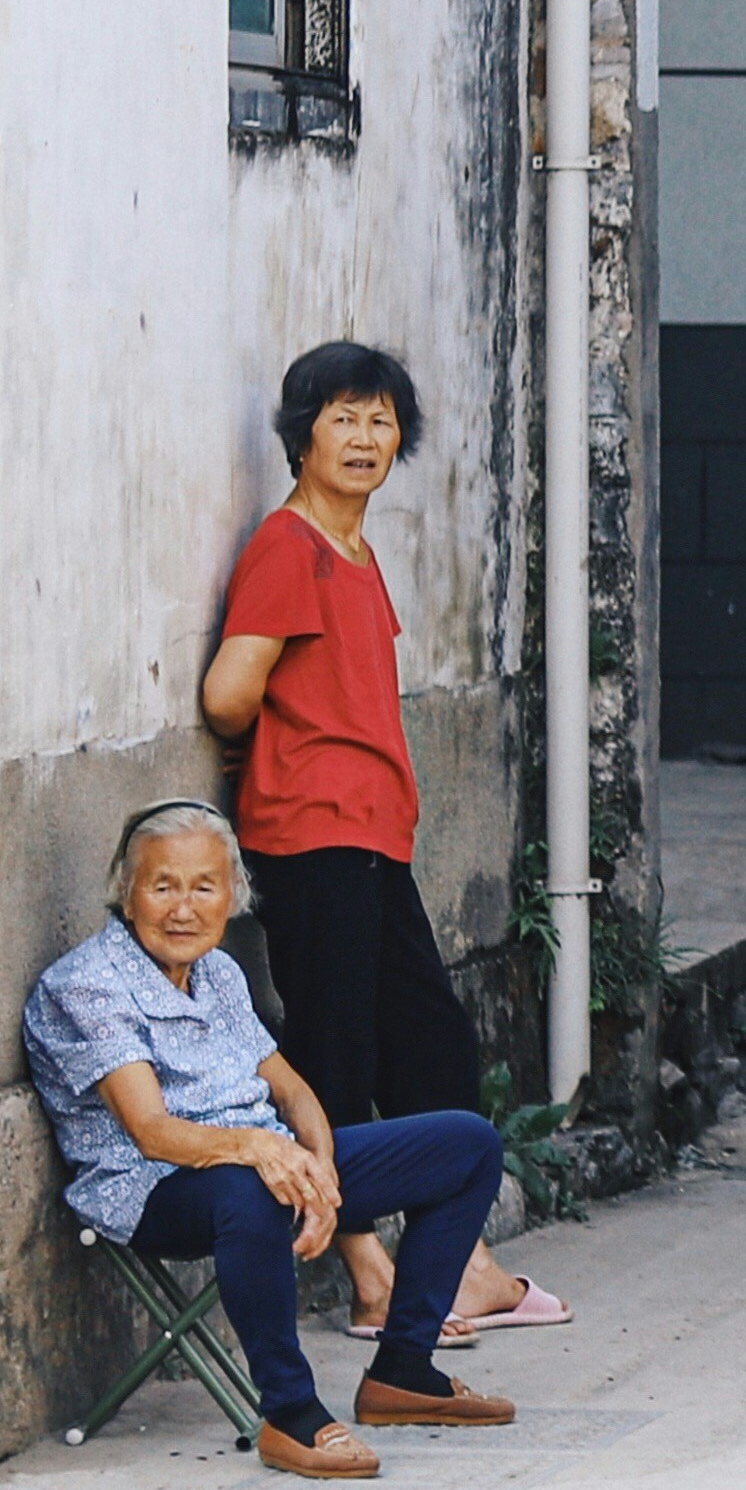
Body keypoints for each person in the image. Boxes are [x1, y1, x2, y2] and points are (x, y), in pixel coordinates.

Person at [199, 341, 560, 1340]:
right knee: (336, 1047)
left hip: (367, 834)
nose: (363, 437)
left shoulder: (351, 548)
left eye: (380, 419)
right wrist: (296, 752)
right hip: (313, 833)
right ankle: (367, 1272)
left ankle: (465, 1263)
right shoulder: (289, 545)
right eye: (341, 417)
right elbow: (229, 693)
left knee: (430, 1041)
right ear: (300, 434)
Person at [25, 800, 515, 1480]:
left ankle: (403, 1368)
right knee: (246, 1191)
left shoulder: (219, 972)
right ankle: (290, 1413)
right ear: (126, 893)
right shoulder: (88, 984)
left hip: (268, 1162)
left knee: (466, 1144)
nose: (182, 909)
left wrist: (319, 1172)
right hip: (153, 1187)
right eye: (161, 886)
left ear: (232, 896)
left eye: (204, 887)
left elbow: (291, 1091)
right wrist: (263, 1151)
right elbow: (152, 1131)